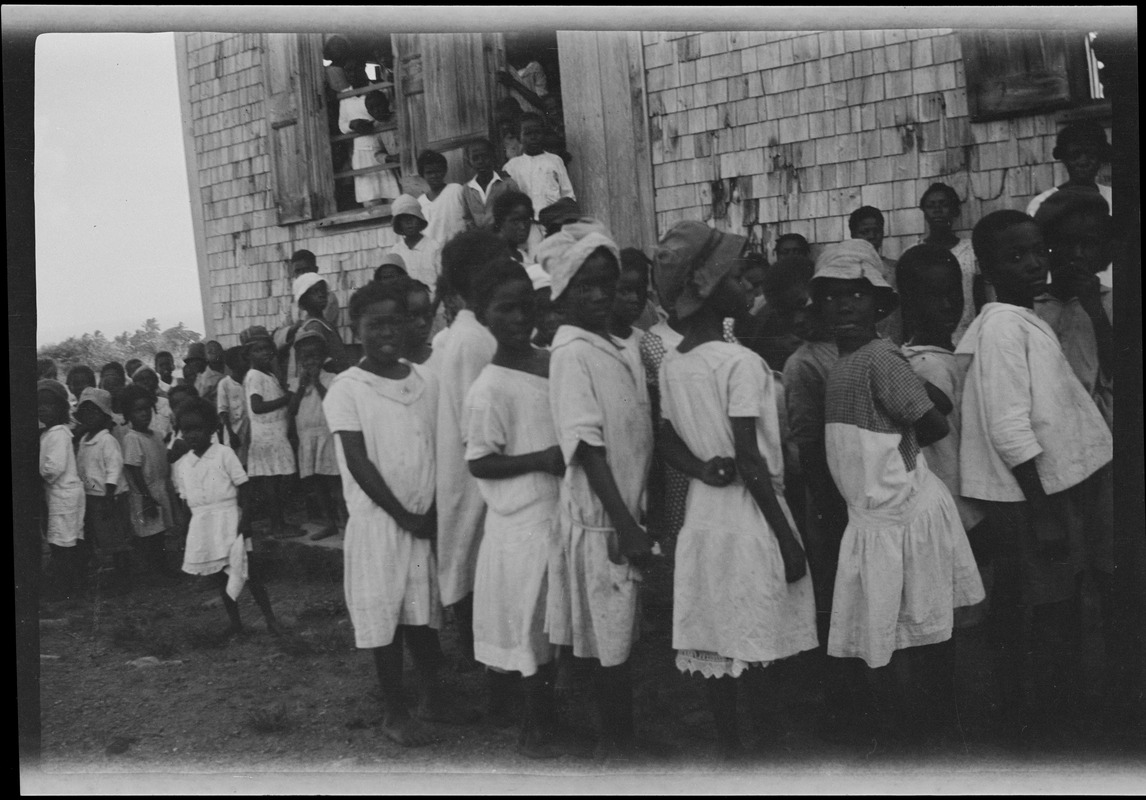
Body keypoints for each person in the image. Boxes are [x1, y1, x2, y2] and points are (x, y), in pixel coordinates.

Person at [654, 222, 818, 758]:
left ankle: (732, 754)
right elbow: (751, 459)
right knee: (759, 638)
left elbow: (667, 438)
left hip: (705, 519)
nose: (748, 286)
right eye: (734, 278)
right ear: (707, 291)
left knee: (719, 639)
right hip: (752, 518)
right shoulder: (741, 364)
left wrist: (701, 469)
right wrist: (788, 539)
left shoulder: (676, 362)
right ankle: (766, 754)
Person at [815, 239, 984, 737]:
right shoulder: (851, 360)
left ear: (881, 305)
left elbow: (932, 427)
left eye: (857, 294)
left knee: (924, 620)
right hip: (878, 515)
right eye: (830, 296)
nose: (843, 304)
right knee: (896, 616)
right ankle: (917, 722)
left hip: (904, 511)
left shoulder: (878, 359)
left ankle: (935, 722)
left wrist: (908, 399)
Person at [958, 210, 1112, 737]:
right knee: (1044, 605)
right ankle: (1038, 715)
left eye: (1036, 252)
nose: (1031, 265)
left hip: (1041, 491)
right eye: (1013, 256)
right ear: (986, 267)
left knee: (1047, 600)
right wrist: (1043, 512)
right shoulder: (1002, 327)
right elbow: (1008, 426)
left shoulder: (1024, 320)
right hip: (1027, 496)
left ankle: (1041, 706)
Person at [323, 280, 468, 748]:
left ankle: (433, 698)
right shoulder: (347, 389)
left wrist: (435, 511)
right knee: (386, 618)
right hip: (380, 525)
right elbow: (359, 461)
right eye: (374, 324)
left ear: (411, 326)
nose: (386, 332)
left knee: (422, 616)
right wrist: (402, 515)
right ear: (355, 329)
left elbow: (441, 447)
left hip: (423, 520)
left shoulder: (427, 382)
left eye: (395, 322)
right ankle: (395, 711)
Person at [539, 219, 654, 759]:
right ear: (562, 293)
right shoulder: (572, 352)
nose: (600, 295)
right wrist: (625, 522)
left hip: (625, 509)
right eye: (585, 285)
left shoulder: (619, 346)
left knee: (619, 634)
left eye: (607, 284)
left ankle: (619, 735)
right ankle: (618, 744)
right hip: (602, 517)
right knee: (610, 641)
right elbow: (586, 445)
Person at [463, 257, 581, 758]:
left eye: (526, 307)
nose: (519, 318)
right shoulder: (488, 389)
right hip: (522, 521)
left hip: (560, 510)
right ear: (484, 316)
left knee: (555, 622)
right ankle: (534, 727)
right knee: (532, 625)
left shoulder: (551, 360)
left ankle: (553, 717)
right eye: (505, 309)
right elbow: (479, 461)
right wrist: (540, 459)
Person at [433, 231, 501, 667]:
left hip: (475, 464)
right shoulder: (474, 339)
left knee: (472, 560)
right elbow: (476, 421)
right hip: (477, 468)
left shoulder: (476, 331)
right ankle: (488, 670)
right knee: (474, 560)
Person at [172, 397, 282, 640]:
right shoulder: (184, 465)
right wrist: (185, 530)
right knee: (220, 576)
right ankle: (236, 623)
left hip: (229, 520)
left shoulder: (224, 454)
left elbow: (244, 487)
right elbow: (185, 502)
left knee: (250, 572)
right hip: (204, 524)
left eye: (198, 429)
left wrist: (245, 521)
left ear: (212, 429)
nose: (192, 435)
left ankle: (271, 620)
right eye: (186, 430)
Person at [896, 245, 987, 537]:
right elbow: (937, 455)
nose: (949, 305)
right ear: (909, 303)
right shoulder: (928, 367)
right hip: (960, 509)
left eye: (954, 293)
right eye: (935, 297)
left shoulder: (942, 355)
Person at [1026, 121, 1113, 287]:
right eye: (1075, 155)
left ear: (1101, 157)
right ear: (1064, 159)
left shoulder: (1115, 198)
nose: (1083, 161)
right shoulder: (1043, 203)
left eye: (1091, 154)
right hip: (1066, 290)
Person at [242, 325, 302, 539]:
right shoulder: (255, 376)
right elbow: (257, 406)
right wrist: (285, 399)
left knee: (277, 485)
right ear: (249, 354)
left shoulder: (267, 375)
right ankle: (277, 526)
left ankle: (279, 523)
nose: (265, 353)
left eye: (268, 349)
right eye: (258, 350)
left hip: (275, 437)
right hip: (267, 439)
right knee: (274, 487)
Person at [75, 387, 134, 595]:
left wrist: (108, 495)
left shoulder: (107, 440)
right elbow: (85, 472)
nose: (89, 416)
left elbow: (114, 469)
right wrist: (89, 491)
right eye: (85, 412)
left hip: (111, 496)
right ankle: (116, 575)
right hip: (94, 496)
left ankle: (124, 578)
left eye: (95, 412)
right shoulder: (84, 440)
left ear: (105, 415)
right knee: (105, 539)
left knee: (117, 539)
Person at [287, 330, 344, 542]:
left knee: (334, 482)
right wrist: (302, 385)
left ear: (322, 358)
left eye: (314, 357)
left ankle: (346, 522)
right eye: (305, 358)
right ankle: (330, 524)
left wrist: (317, 382)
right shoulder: (296, 383)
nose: (310, 361)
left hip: (327, 435)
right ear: (300, 360)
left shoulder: (331, 379)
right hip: (307, 437)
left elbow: (332, 402)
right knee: (318, 483)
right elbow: (291, 410)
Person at [119, 384, 179, 579]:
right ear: (128, 414)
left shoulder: (156, 435)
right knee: (150, 535)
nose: (144, 414)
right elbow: (134, 470)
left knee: (159, 533)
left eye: (147, 409)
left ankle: (162, 568)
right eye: (137, 410)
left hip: (159, 488)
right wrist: (146, 497)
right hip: (145, 493)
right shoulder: (132, 438)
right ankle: (155, 571)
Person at [39, 379, 86, 599]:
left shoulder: (57, 433)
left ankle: (68, 588)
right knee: (67, 540)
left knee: (62, 543)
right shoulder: (52, 433)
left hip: (63, 495)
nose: (42, 408)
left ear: (61, 407)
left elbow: (53, 469)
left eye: (49, 404)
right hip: (63, 494)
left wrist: (37, 472)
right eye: (39, 404)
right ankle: (73, 584)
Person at [503, 113, 576, 256]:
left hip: (554, 223)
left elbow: (567, 194)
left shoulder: (555, 161)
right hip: (527, 225)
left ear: (544, 134)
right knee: (534, 259)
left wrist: (563, 220)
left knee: (556, 257)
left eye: (537, 132)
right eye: (528, 133)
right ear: (519, 137)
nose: (533, 137)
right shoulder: (511, 167)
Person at [918, 183, 980, 345]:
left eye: (944, 205)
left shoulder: (970, 251)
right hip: (929, 342)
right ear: (924, 212)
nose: (937, 210)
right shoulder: (915, 253)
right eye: (931, 206)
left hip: (968, 339)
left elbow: (981, 297)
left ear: (954, 210)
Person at [848, 205, 902, 344]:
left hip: (892, 346)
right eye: (865, 232)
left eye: (876, 231)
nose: (871, 236)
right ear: (853, 235)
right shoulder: (846, 270)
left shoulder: (895, 269)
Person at [339, 89, 402, 207]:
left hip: (403, 162)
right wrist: (352, 125)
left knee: (394, 195)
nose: (376, 111)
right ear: (368, 111)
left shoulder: (399, 117)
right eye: (372, 109)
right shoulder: (345, 97)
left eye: (379, 106)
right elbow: (342, 126)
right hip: (367, 152)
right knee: (371, 198)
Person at [462, 138, 520, 230]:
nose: (481, 161)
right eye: (475, 158)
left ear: (493, 157)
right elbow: (467, 217)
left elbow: (518, 212)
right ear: (469, 162)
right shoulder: (467, 189)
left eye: (485, 156)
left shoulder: (508, 184)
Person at [389, 195, 442, 294]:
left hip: (434, 305)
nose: (409, 223)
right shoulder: (396, 252)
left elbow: (444, 284)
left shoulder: (434, 248)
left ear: (419, 219)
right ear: (399, 223)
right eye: (404, 218)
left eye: (412, 217)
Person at [417, 150, 471, 246]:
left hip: (458, 247)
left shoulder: (456, 190)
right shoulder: (420, 202)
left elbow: (469, 217)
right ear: (422, 174)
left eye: (438, 171)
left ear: (444, 170)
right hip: (433, 254)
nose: (434, 176)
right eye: (429, 173)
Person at [609, 249, 650, 355]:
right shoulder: (595, 344)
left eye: (640, 290)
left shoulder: (646, 343)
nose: (635, 298)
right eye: (625, 291)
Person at [290, 249, 341, 329]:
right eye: (297, 271)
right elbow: (283, 329)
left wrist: (295, 328)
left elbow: (318, 325)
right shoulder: (296, 298)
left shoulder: (327, 297)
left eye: (306, 270)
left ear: (315, 270)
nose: (302, 275)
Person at [216, 346, 250, 465]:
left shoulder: (250, 380)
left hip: (250, 431)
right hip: (235, 432)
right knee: (237, 465)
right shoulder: (224, 384)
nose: (247, 361)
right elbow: (223, 410)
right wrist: (231, 434)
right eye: (243, 358)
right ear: (233, 363)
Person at [130, 367, 173, 443]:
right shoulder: (132, 407)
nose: (146, 382)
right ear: (135, 384)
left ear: (156, 382)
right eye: (141, 379)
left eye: (149, 378)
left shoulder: (166, 403)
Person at [493, 190, 535, 264]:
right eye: (515, 221)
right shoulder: (496, 259)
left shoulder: (522, 256)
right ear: (500, 222)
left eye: (526, 220)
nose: (522, 227)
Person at [403, 279, 435, 365]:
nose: (423, 322)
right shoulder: (384, 368)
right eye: (412, 316)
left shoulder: (445, 359)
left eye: (427, 313)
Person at [195, 341, 226, 407]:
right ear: (205, 357)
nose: (214, 353)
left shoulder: (229, 369)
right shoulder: (205, 379)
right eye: (210, 352)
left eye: (217, 350)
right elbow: (201, 399)